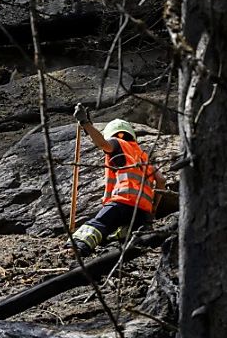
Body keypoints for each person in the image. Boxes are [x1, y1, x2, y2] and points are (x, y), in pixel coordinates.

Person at [69, 104, 166, 256]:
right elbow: (161, 180)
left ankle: (80, 246)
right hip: (142, 211)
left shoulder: (117, 143)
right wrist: (152, 210)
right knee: (126, 233)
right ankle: (128, 234)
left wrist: (84, 123)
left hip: (122, 202)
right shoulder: (143, 155)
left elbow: (103, 144)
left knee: (98, 224)